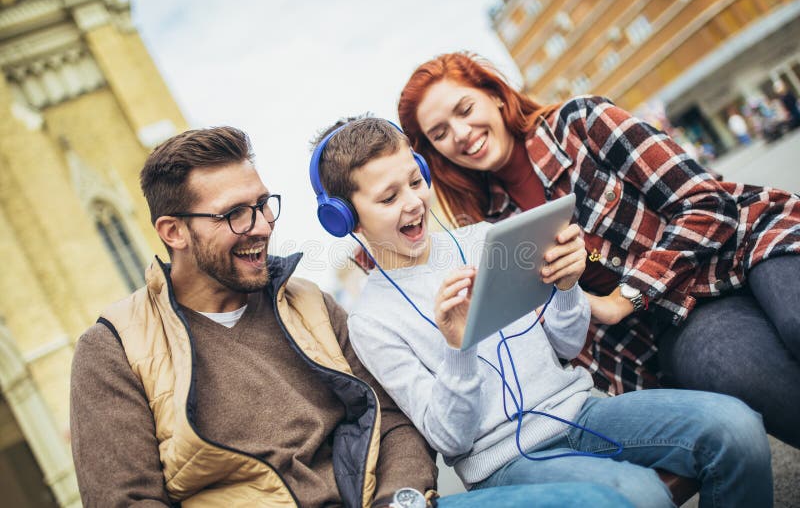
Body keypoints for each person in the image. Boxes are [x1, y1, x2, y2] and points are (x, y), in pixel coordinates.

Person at [69, 126, 631, 508]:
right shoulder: (114, 349)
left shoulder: (309, 303)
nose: (263, 226)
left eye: (264, 205)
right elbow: (126, 499)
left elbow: (392, 420)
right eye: (235, 215)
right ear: (174, 233)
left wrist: (404, 499)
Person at [310, 116, 773, 507]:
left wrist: (567, 287)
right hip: (503, 462)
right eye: (389, 198)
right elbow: (450, 440)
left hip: (581, 412)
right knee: (639, 494)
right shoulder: (371, 322)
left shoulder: (484, 240)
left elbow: (566, 343)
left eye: (415, 181)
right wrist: (458, 347)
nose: (413, 202)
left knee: (738, 429)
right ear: (343, 218)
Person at [396, 52, 800, 450]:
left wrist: (619, 300)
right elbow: (562, 334)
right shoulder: (492, 228)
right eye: (440, 133)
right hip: (673, 315)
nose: (461, 133)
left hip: (748, 242)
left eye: (465, 109)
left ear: (496, 96)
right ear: (433, 153)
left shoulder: (581, 122)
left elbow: (707, 203)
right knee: (735, 367)